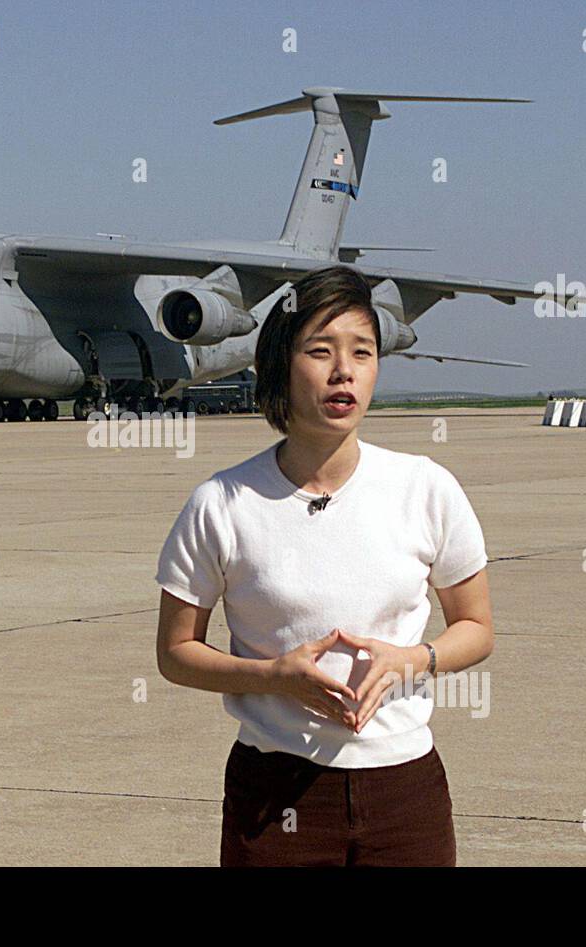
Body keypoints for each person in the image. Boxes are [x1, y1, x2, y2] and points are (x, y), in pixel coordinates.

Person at [154, 266, 495, 867]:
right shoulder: (223, 502)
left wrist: (416, 659)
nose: (345, 370)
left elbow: (476, 627)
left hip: (404, 791)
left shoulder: (425, 487)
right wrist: (272, 677)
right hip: (275, 794)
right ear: (279, 364)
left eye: (362, 352)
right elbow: (175, 652)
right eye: (321, 351)